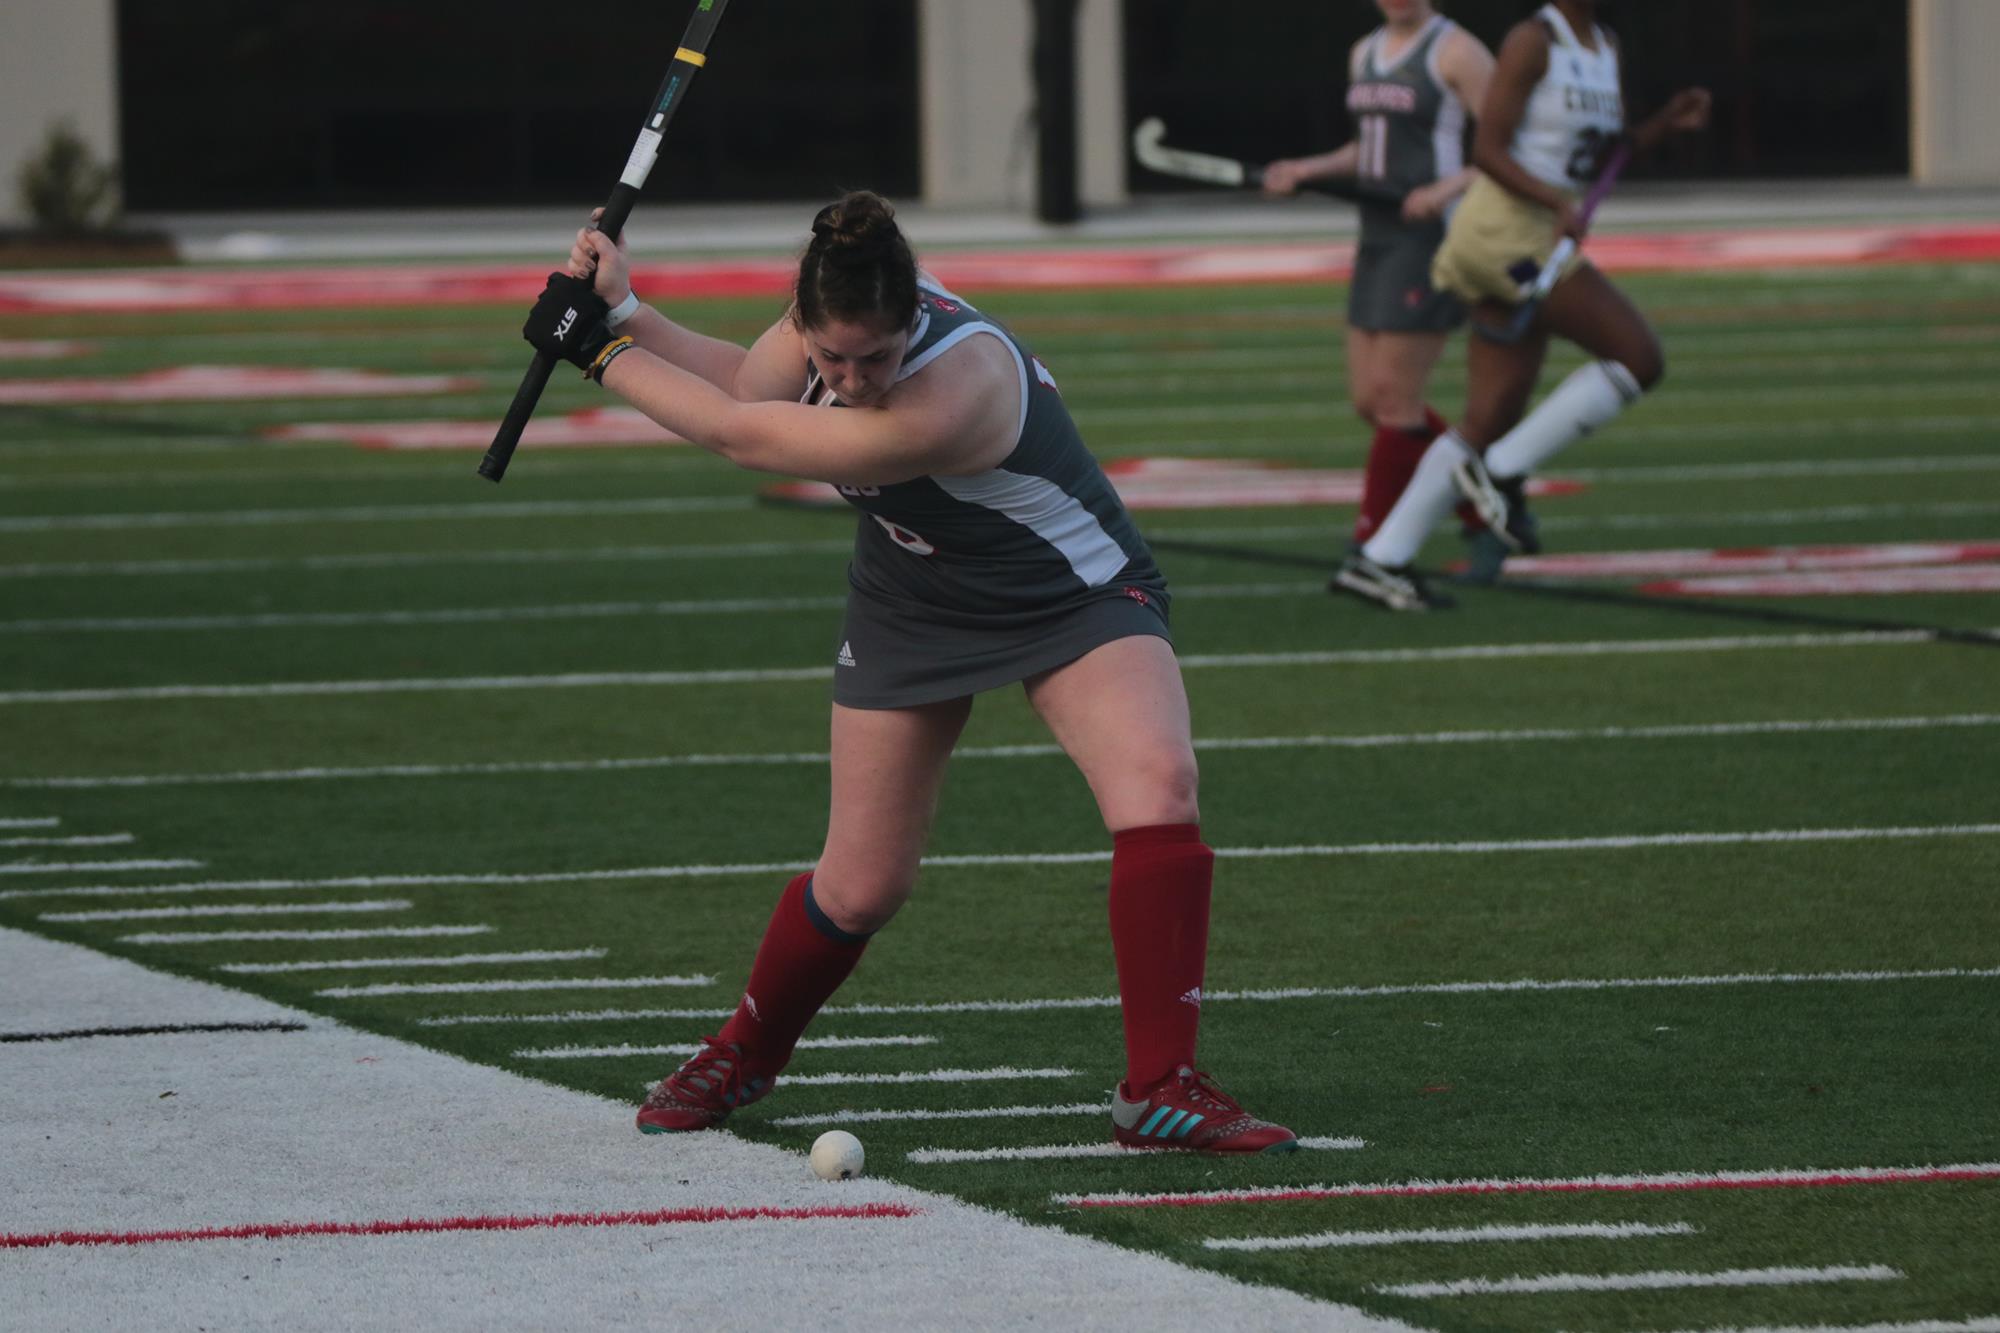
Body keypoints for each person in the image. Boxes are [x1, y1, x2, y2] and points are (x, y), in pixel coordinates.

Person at [520, 191, 1298, 1155]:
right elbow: (750, 388)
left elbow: (745, 437)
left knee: (1160, 783)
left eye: (875, 360)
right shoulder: (820, 336)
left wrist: (595, 352)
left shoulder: (955, 386)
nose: (850, 380)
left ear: (913, 322)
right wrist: (626, 313)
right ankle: (745, 1050)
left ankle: (1161, 1086)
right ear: (804, 320)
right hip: (912, 597)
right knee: (861, 884)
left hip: (1067, 591)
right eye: (830, 358)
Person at [1341, 0, 1711, 601]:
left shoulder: (1603, 43)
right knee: (1639, 357)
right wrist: (1553, 200)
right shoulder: (1531, 39)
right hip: (1504, 234)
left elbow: (1595, 150)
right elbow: (1488, 149)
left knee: (1486, 419)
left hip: (1540, 232)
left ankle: (1382, 557)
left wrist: (1664, 124)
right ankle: (1505, 471)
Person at [1263, 0, 1493, 612]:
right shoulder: (1363, 51)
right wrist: (1307, 169)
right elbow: (1366, 149)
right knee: (1372, 400)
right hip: (1376, 234)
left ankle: (1375, 546)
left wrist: (1445, 187)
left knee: (1396, 400)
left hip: (1428, 238)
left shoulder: (1458, 51)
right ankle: (1486, 501)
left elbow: (1508, 148)